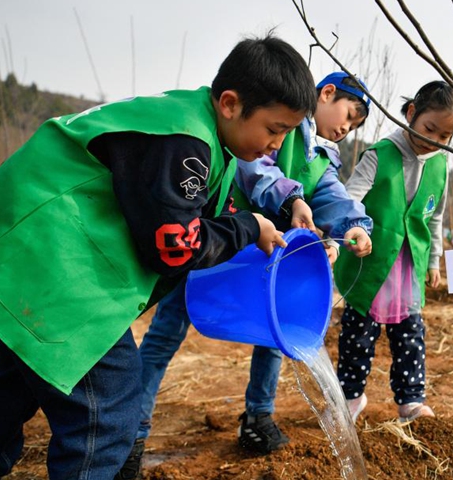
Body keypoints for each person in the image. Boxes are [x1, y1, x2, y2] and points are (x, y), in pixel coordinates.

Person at [0, 35, 317, 480]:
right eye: (274, 130)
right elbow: (175, 249)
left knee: (13, 386)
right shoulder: (184, 143)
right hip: (54, 264)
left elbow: (196, 212)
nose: (276, 146)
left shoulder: (201, 133)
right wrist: (249, 227)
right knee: (108, 412)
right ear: (232, 104)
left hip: (31, 255)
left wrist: (259, 224)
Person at [118, 72, 375, 478]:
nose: (347, 126)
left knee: (276, 338)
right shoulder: (278, 127)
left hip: (264, 257)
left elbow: (332, 196)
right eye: (349, 114)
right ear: (326, 94)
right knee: (167, 329)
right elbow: (256, 169)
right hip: (214, 239)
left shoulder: (322, 158)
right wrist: (292, 198)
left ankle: (258, 419)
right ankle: (132, 434)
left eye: (356, 126)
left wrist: (355, 225)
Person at [333, 80, 453, 423]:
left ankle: (411, 400)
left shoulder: (440, 166)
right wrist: (341, 234)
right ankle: (350, 396)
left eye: (443, 138)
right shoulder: (380, 154)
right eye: (428, 129)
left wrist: (433, 261)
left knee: (410, 334)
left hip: (408, 266)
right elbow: (351, 197)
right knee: (358, 332)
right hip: (372, 261)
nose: (432, 141)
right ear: (411, 113)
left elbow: (434, 217)